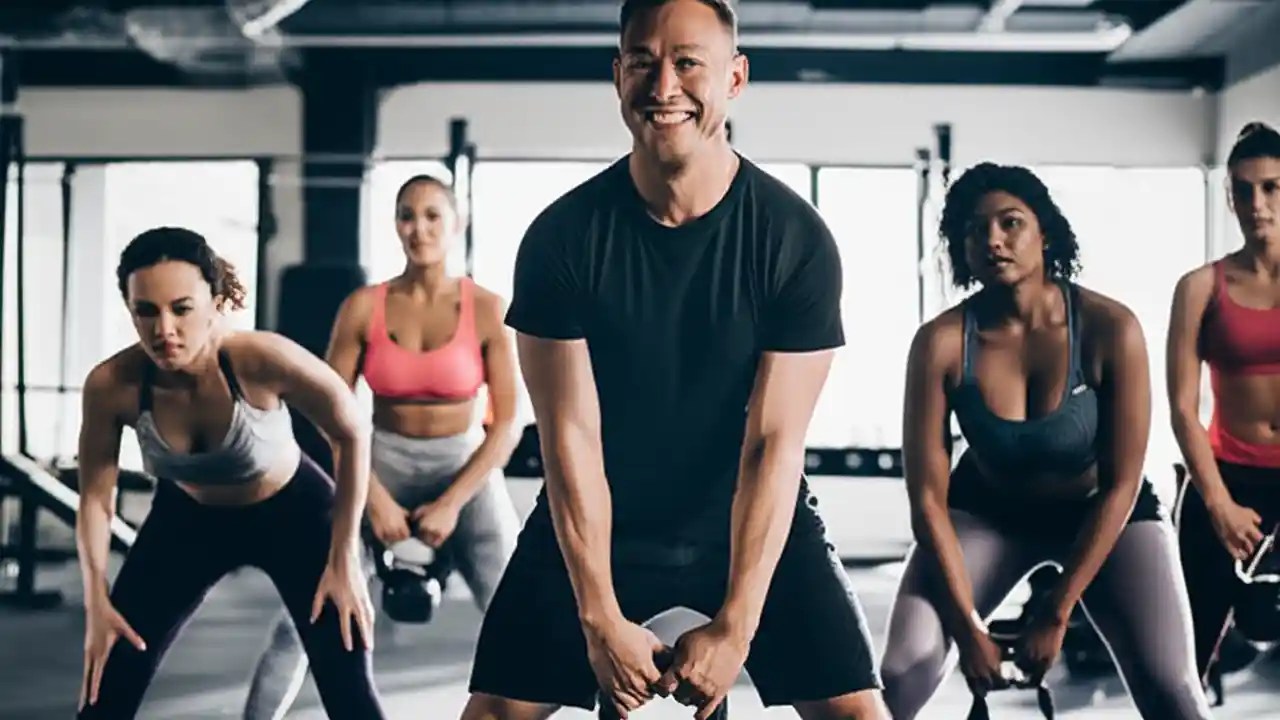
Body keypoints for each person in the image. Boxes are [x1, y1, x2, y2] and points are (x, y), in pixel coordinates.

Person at [460, 2, 889, 719]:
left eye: (688, 62)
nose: (663, 84)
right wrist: (596, 615)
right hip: (605, 516)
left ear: (735, 78)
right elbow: (572, 442)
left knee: (858, 716)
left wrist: (737, 625)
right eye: (642, 60)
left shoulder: (793, 239)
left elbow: (773, 444)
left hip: (745, 516)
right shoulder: (562, 239)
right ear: (617, 72)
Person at [879, 162, 1213, 719]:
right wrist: (968, 630)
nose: (992, 240)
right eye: (973, 229)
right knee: (900, 670)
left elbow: (1123, 481)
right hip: (986, 512)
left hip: (1101, 509)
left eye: (1010, 223)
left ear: (1046, 233)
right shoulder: (939, 343)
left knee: (1171, 688)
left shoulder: (1112, 328)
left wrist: (1057, 611)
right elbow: (928, 501)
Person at [241, 173, 524, 719]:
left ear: (456, 223)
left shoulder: (488, 308)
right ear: (395, 225)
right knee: (306, 614)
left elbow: (507, 423)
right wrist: (372, 498)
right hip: (377, 461)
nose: (418, 228)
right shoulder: (362, 307)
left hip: (466, 469)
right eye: (406, 215)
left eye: (432, 215)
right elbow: (329, 412)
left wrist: (452, 504)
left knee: (521, 620)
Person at [74, 227, 385, 719]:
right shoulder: (113, 385)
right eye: (146, 311)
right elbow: (95, 496)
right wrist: (95, 597)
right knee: (105, 682)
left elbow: (352, 432)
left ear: (215, 301)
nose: (164, 330)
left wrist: (344, 556)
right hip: (186, 520)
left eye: (182, 308)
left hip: (297, 516)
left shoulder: (261, 360)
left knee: (349, 689)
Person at [1168, 121, 1280, 682]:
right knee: (1183, 660)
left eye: (1271, 187)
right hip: (1226, 477)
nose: (1255, 203)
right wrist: (1216, 503)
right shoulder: (1199, 287)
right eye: (1243, 189)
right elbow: (1183, 409)